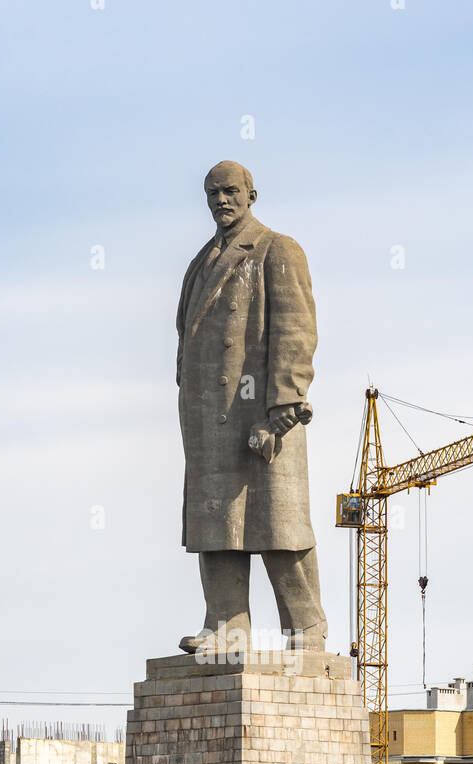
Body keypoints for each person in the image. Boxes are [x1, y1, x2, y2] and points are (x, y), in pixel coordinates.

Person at [176, 161, 327, 656]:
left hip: (261, 419)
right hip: (209, 422)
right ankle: (225, 627)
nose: (222, 200)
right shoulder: (200, 262)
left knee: (278, 528)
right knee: (216, 529)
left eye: (231, 191)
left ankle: (306, 630)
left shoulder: (276, 249)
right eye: (214, 193)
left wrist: (284, 404)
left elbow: (296, 330)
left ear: (252, 194)